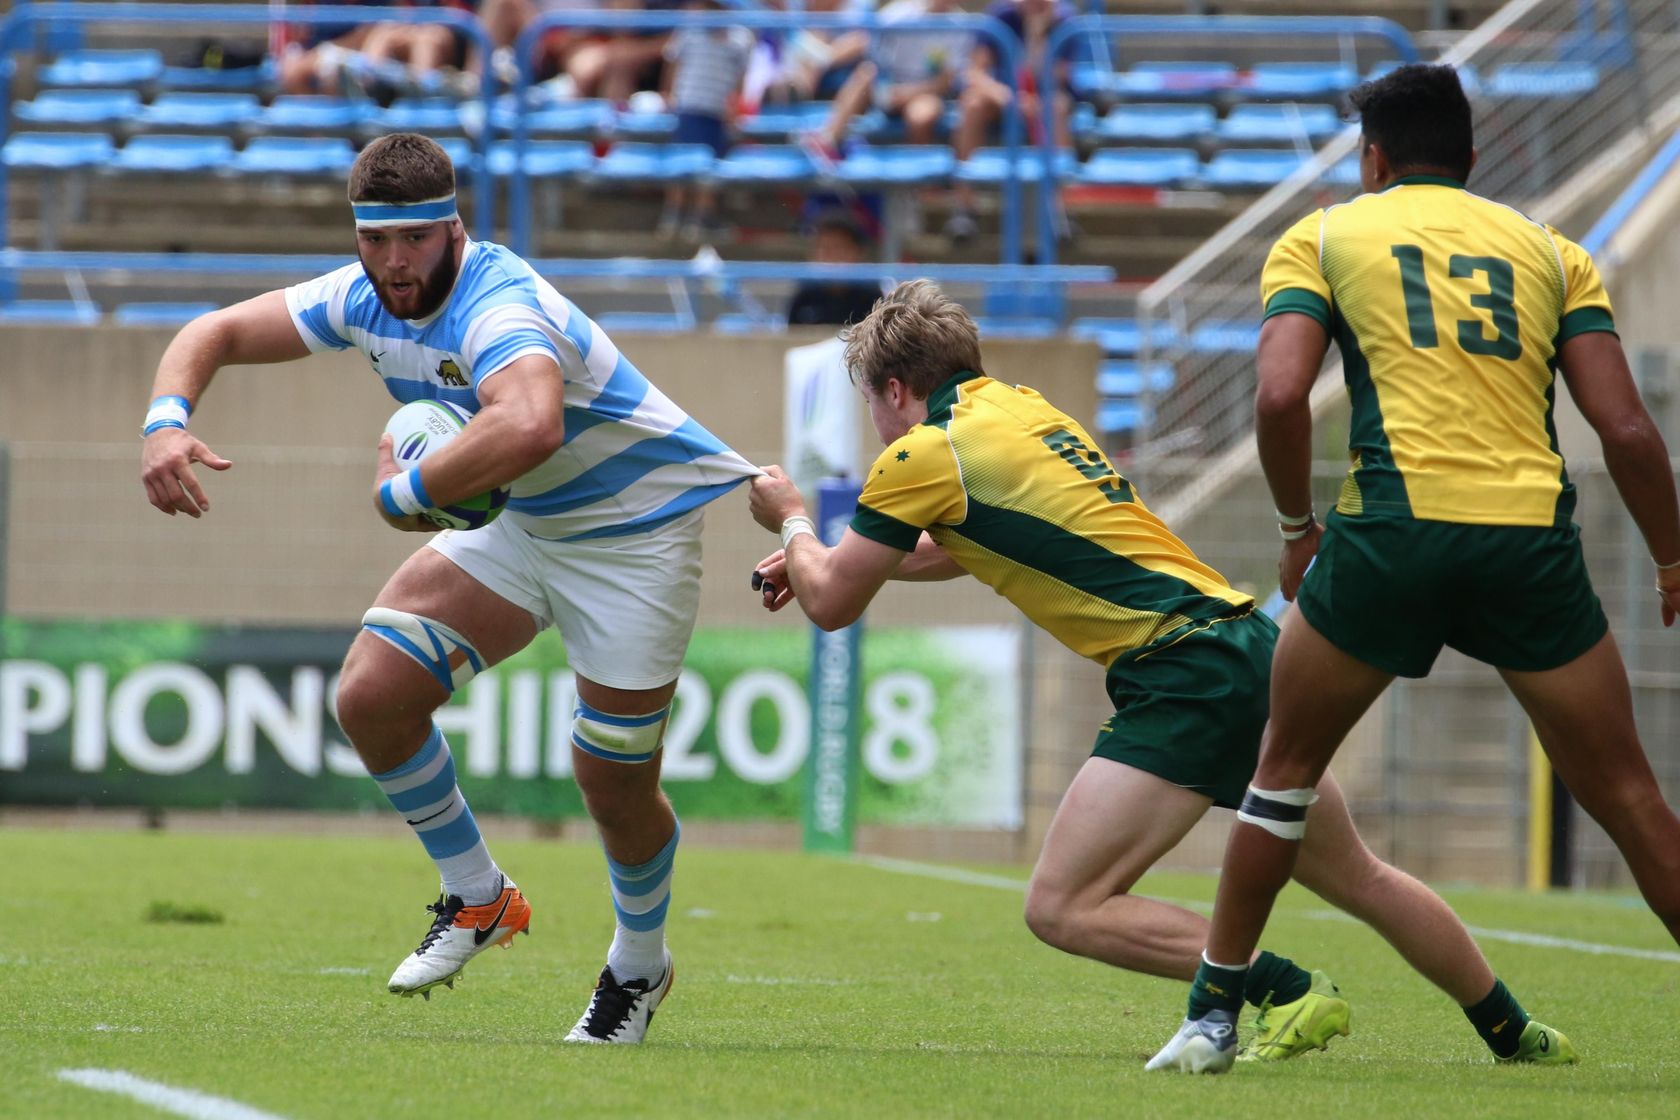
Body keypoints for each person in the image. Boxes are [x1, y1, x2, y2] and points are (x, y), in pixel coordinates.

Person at [747, 278, 1574, 1069]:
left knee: (1063, 904)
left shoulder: (924, 453)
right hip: (1249, 645)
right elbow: (969, 545)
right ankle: (1512, 1030)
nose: (878, 431)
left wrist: (792, 522)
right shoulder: (1021, 410)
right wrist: (835, 558)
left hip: (1183, 672)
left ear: (894, 390)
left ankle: (1282, 989)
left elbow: (829, 605)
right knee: (1354, 873)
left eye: (874, 410)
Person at [138, 132, 758, 1045]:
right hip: (522, 523)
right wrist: (165, 422)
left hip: (634, 535)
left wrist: (408, 494)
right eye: (377, 240)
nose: (395, 263)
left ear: (454, 229)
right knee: (372, 695)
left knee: (612, 778)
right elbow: (214, 331)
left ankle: (639, 962)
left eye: (417, 240)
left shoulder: (498, 303)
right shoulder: (358, 296)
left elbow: (534, 422)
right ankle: (479, 895)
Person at [1149, 62, 1680, 1075]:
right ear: (1474, 161)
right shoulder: (1550, 250)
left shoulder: (1323, 234)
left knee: (1282, 775)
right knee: (1629, 796)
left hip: (1390, 534)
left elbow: (1276, 398)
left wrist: (1299, 528)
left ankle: (1214, 1019)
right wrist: (1671, 556)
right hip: (1528, 544)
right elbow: (1625, 428)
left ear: (1373, 159)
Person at [810, 0, 973, 155]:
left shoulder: (962, 25)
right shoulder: (901, 12)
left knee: (923, 115)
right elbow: (869, 40)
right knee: (865, 73)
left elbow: (945, 82)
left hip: (926, 93)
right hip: (890, 87)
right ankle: (828, 141)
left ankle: (918, 177)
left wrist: (906, 94)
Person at [656, 1, 754, 240]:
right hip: (689, 108)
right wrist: (667, 94)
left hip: (717, 113)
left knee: (709, 166)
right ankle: (674, 216)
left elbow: (741, 78)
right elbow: (673, 64)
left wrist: (734, 106)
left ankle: (700, 218)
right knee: (683, 163)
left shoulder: (741, 37)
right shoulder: (690, 28)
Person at [785, 207, 885, 327]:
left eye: (839, 248)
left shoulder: (872, 297)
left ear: (858, 252)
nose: (833, 257)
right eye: (825, 249)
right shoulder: (804, 296)